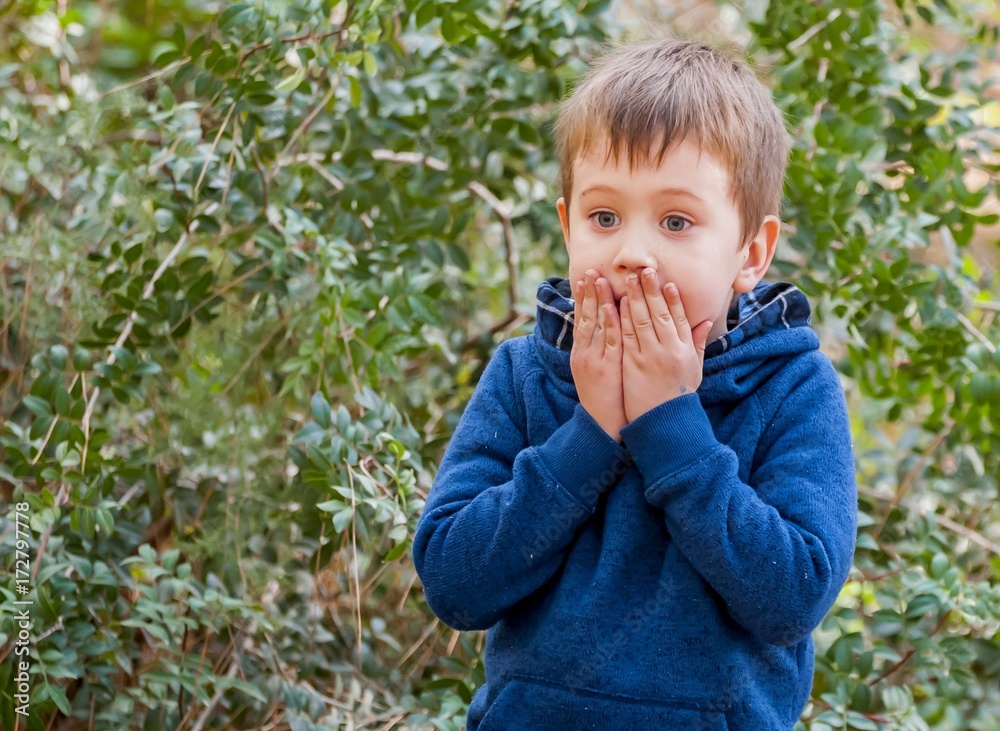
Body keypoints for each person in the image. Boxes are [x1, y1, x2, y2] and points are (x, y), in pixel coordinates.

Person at [412, 31, 858, 731]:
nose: (633, 254)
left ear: (751, 252)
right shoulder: (526, 374)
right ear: (567, 229)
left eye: (676, 220)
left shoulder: (792, 389)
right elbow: (454, 583)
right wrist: (591, 431)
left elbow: (793, 594)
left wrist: (672, 425)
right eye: (604, 217)